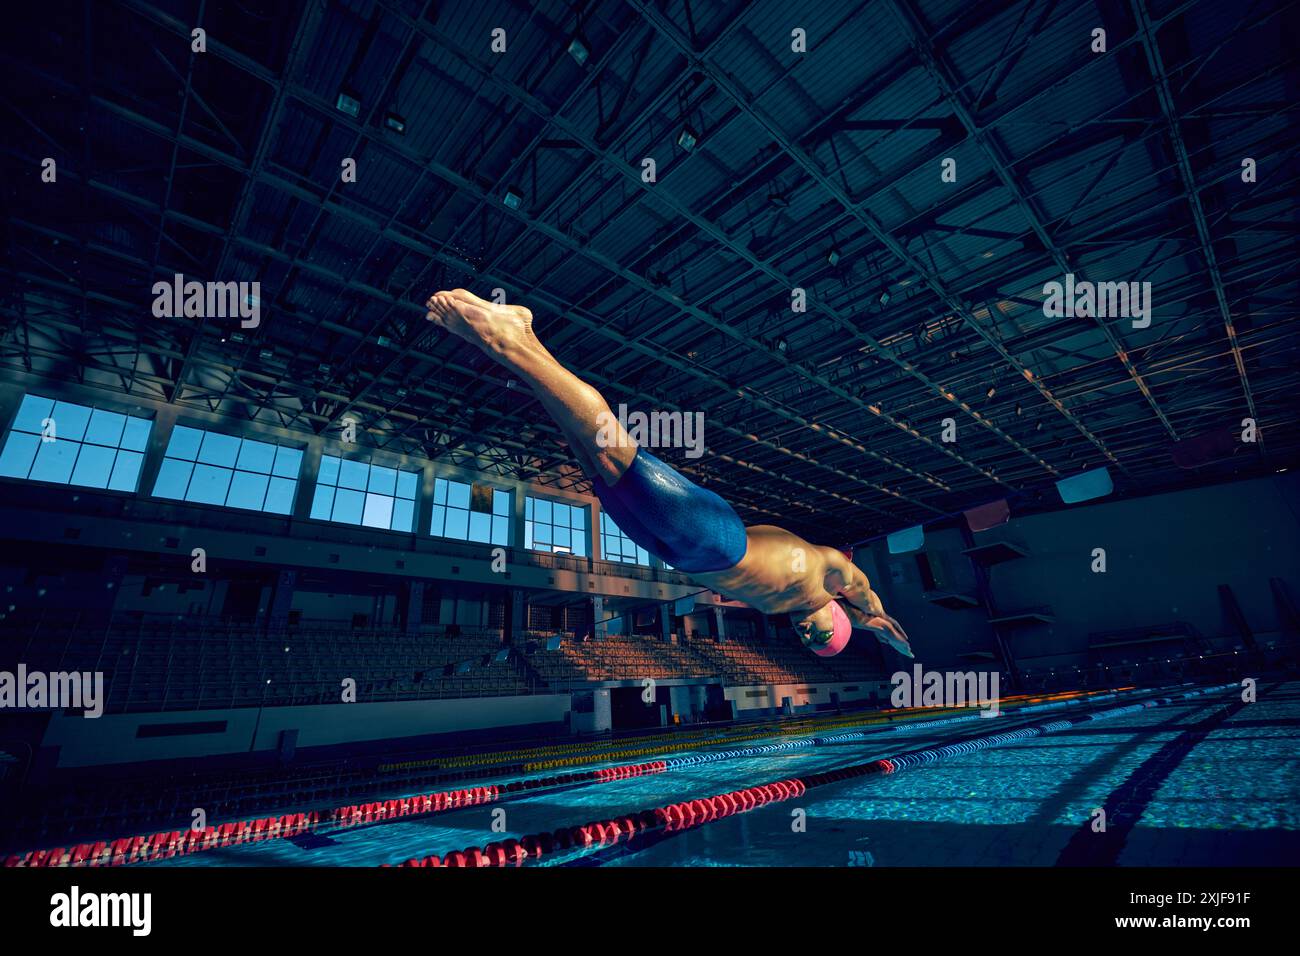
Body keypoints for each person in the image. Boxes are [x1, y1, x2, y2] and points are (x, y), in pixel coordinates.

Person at [425, 289, 912, 659]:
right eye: (822, 633)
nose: (808, 632)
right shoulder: (829, 573)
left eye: (809, 641)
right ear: (838, 613)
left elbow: (838, 613)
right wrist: (877, 620)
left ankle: (522, 333)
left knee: (588, 453)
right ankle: (504, 340)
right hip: (718, 539)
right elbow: (866, 594)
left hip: (677, 551)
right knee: (611, 446)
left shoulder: (782, 608)